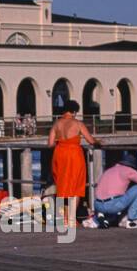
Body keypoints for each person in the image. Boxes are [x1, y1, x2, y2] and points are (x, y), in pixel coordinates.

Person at [47, 98, 100, 230]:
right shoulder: (77, 123)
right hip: (74, 155)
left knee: (63, 186)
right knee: (76, 186)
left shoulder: (57, 123)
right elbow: (90, 140)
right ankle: (71, 218)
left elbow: (50, 144)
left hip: (60, 154)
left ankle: (64, 218)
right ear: (75, 111)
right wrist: (98, 142)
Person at [93, 152, 137, 228]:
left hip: (97, 205)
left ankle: (103, 216)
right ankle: (133, 220)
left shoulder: (109, 170)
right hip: (112, 206)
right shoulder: (129, 170)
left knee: (114, 194)